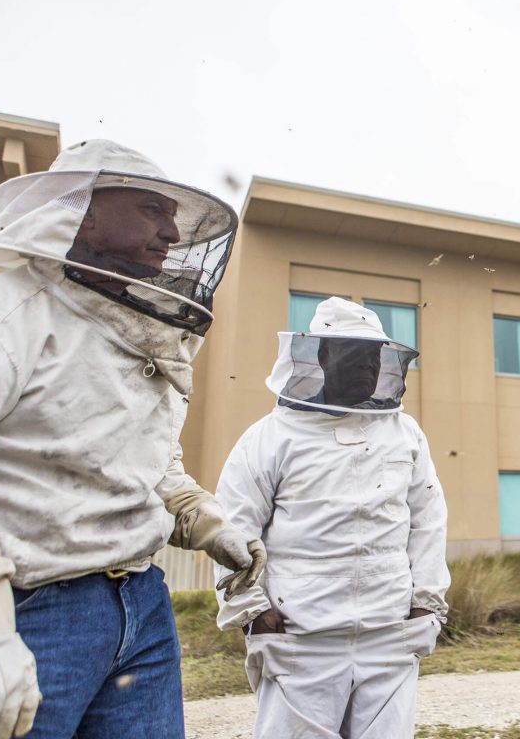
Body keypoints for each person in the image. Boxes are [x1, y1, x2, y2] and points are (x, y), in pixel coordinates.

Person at [0, 139, 266, 739]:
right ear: (83, 211)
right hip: (31, 609)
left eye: (172, 216)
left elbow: (147, 460)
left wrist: (206, 523)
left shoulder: (143, 331)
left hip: (142, 602)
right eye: (151, 210)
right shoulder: (9, 313)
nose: (171, 232)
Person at [214, 297, 449, 739]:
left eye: (374, 358)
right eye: (354, 356)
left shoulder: (405, 432)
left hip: (390, 631)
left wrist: (427, 602)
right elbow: (233, 528)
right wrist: (252, 610)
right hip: (301, 636)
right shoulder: (268, 437)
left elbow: (429, 520)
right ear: (321, 356)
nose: (367, 368)